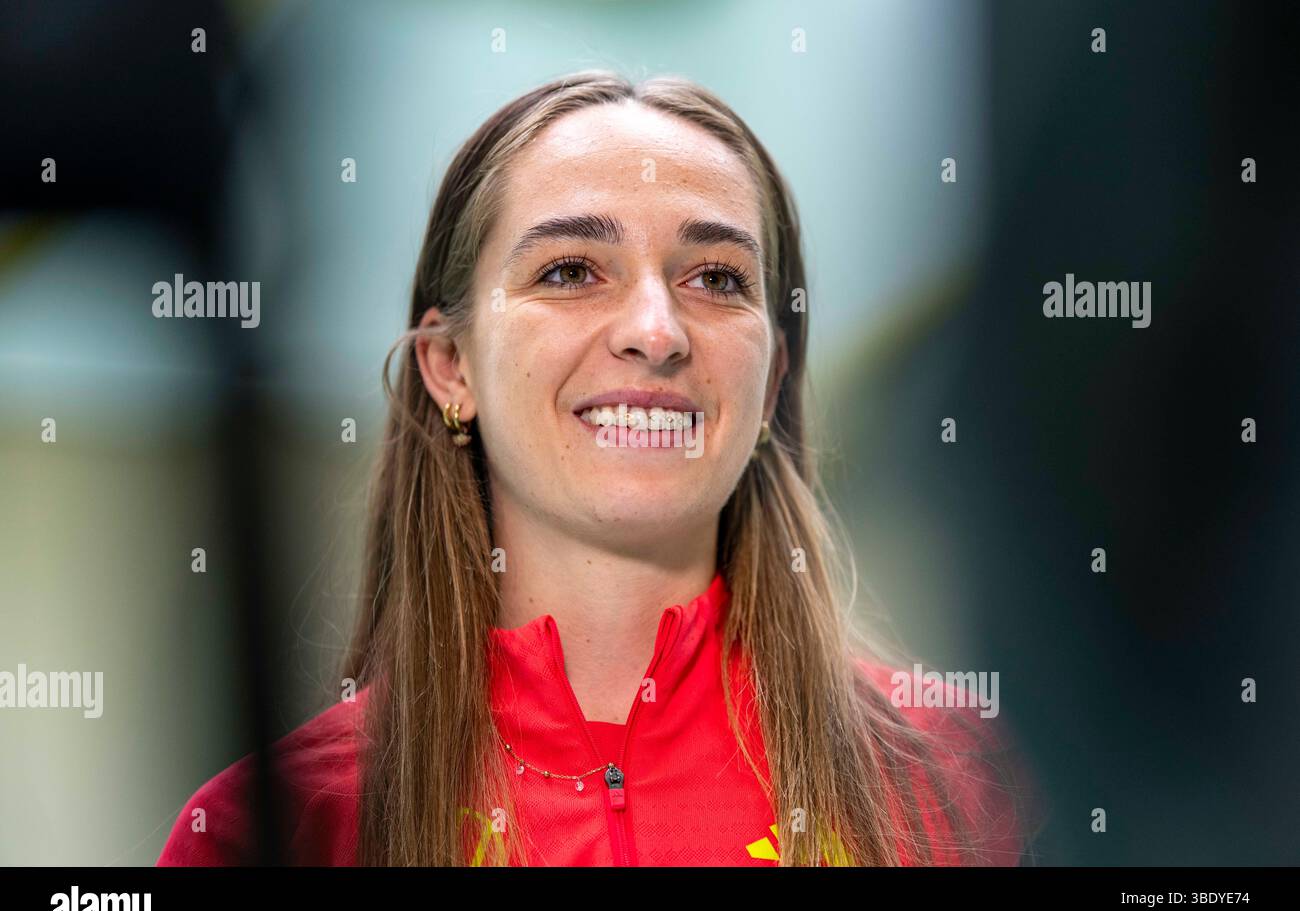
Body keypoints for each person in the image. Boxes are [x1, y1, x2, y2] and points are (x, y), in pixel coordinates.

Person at [158, 69, 1037, 867]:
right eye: (573, 270)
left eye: (717, 279)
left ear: (770, 379)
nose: (655, 331)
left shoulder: (971, 781)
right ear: (449, 365)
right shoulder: (277, 828)